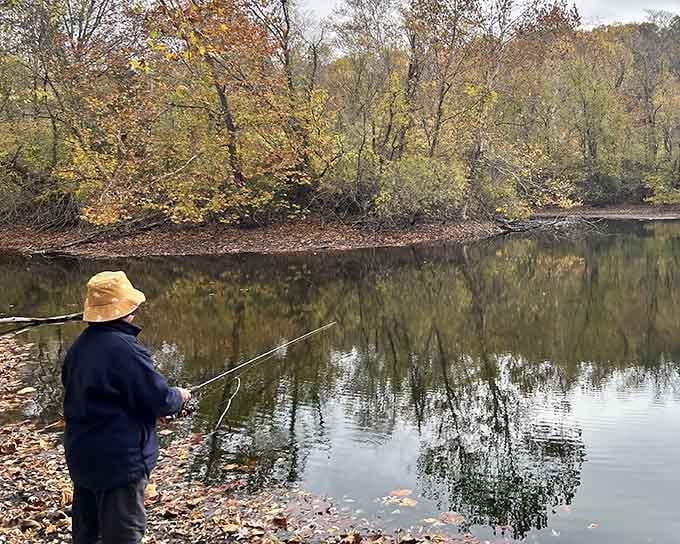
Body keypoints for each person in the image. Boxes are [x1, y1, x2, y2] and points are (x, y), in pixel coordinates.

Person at [61, 271, 191, 544]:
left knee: (87, 534)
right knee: (123, 535)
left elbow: (101, 402)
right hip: (119, 465)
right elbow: (158, 399)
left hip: (82, 457)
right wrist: (179, 396)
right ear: (126, 307)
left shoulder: (79, 348)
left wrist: (152, 414)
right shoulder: (125, 349)